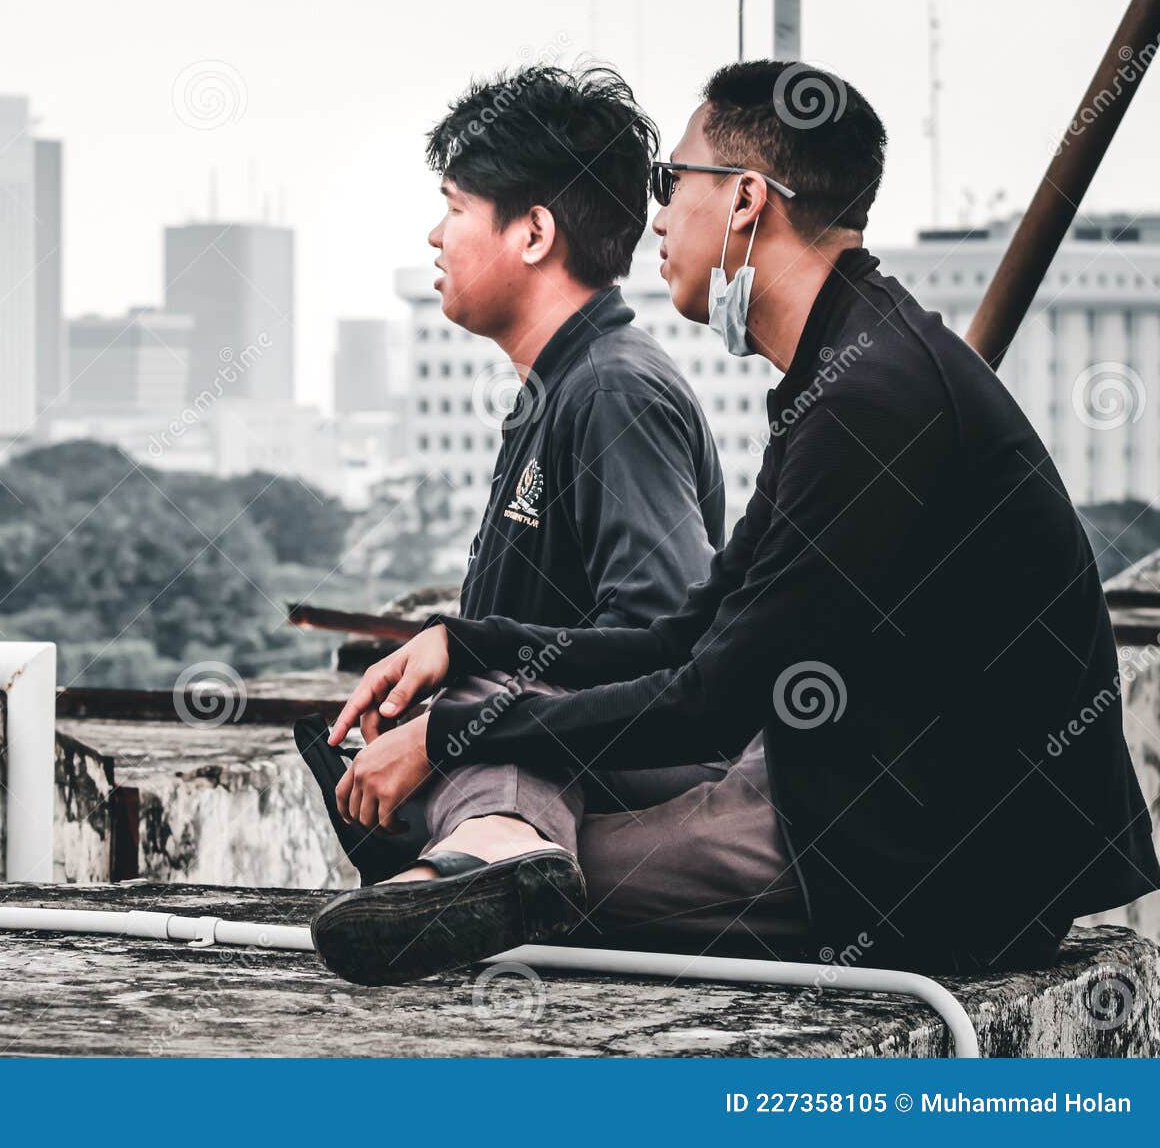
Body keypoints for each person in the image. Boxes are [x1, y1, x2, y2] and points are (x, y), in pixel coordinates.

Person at [311, 60, 1160, 987]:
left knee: (486, 821)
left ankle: (481, 853)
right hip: (832, 781)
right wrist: (466, 643)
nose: (660, 219)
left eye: (676, 184)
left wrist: (445, 741)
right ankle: (490, 844)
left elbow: (712, 694)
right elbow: (691, 628)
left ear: (749, 199)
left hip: (921, 858)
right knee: (490, 706)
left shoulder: (871, 397)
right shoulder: (844, 365)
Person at [312, 67, 733, 882]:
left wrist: (465, 715)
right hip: (576, 782)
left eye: (455, 208)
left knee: (485, 718)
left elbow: (662, 637)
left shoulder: (612, 390)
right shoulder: (559, 386)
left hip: (617, 789)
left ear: (533, 234)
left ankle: (478, 861)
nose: (436, 236)